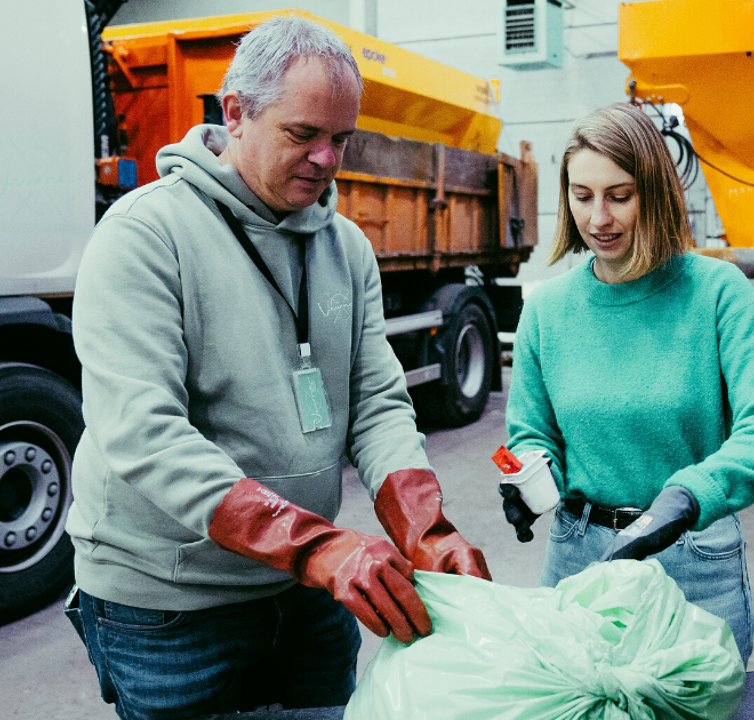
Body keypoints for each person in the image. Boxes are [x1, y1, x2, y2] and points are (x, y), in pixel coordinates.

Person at [63, 15, 489, 719]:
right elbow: (145, 435)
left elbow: (377, 401)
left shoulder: (346, 248)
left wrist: (426, 530)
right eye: (303, 135)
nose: (326, 159)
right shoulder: (145, 237)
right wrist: (320, 548)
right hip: (169, 613)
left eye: (340, 139)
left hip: (304, 597)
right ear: (236, 113)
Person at [499, 102, 754, 665]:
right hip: (579, 559)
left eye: (620, 195)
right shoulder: (547, 311)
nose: (599, 219)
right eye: (582, 195)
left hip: (692, 553)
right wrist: (530, 476)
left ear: (656, 193)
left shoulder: (716, 293)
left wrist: (688, 497)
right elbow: (531, 432)